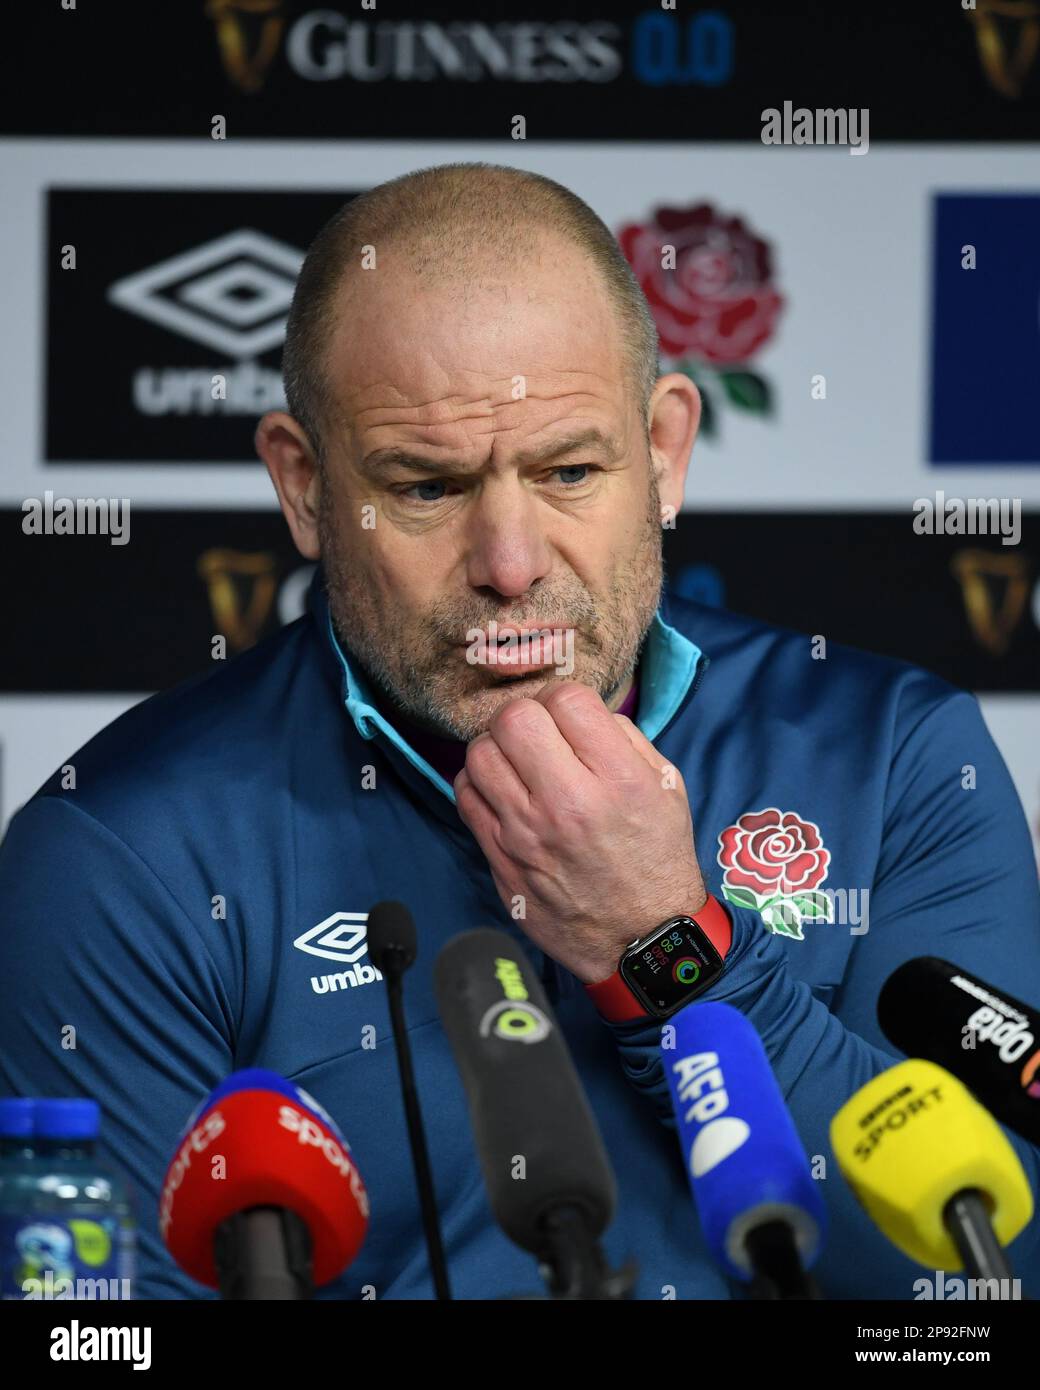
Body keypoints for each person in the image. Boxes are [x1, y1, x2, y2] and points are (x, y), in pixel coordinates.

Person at [2, 163, 1038, 1299]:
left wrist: (665, 947)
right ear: (303, 489)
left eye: (568, 470)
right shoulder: (117, 854)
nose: (509, 564)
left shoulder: (897, 756)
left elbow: (991, 1281)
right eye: (427, 489)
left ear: (664, 450)